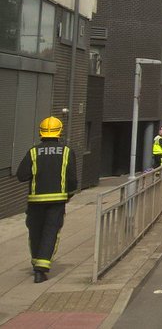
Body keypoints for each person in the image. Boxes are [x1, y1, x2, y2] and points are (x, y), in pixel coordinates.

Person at [16, 117, 78, 283]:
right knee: (50, 232)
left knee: (35, 232)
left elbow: (21, 176)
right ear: (60, 132)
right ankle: (41, 270)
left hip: (35, 201)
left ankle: (36, 261)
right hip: (57, 201)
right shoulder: (66, 151)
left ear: (41, 132)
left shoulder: (33, 152)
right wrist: (68, 195)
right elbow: (72, 180)